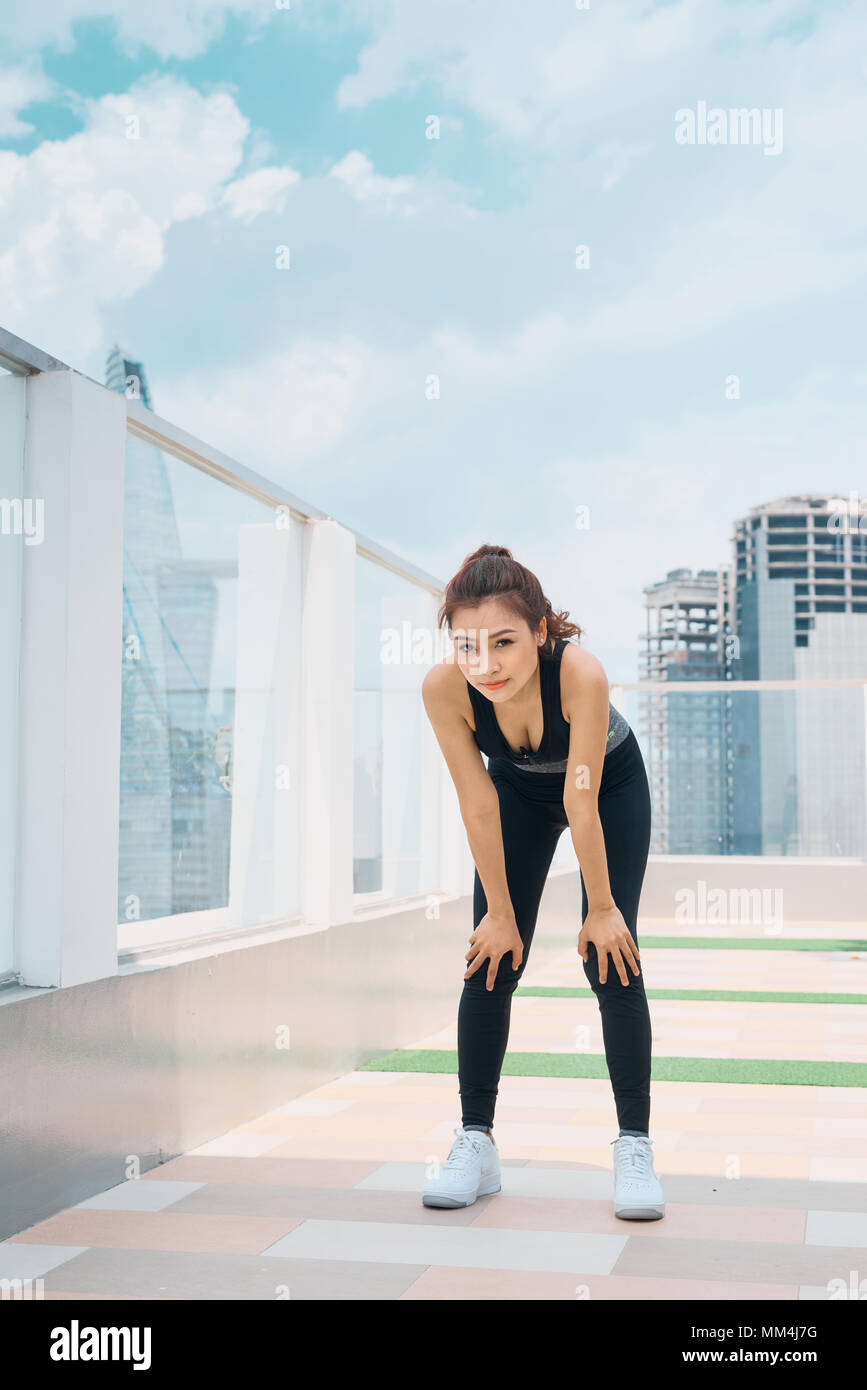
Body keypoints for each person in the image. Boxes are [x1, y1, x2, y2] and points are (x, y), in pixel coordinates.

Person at [420, 544, 664, 1220]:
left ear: (538, 632)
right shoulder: (445, 689)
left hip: (604, 785)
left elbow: (580, 801)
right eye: (468, 645)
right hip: (517, 798)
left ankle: (634, 1146)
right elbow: (476, 802)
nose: (486, 664)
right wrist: (499, 912)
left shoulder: (579, 674)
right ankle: (476, 1141)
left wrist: (603, 908)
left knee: (611, 956)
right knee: (490, 956)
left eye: (503, 641)